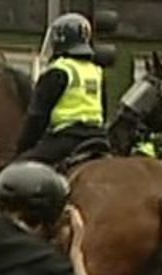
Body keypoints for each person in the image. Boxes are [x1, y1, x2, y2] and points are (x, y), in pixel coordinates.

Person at [17, 13, 106, 168]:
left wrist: (23, 148)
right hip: (98, 139)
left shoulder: (59, 71)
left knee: (17, 169)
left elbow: (37, 116)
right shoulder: (96, 71)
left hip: (66, 140)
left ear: (60, 40)